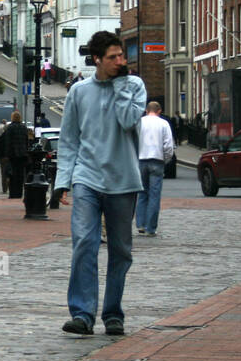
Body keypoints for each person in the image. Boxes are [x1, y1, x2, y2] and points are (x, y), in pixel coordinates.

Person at [53, 31, 147, 336]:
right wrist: (63, 181)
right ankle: (82, 313)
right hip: (87, 178)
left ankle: (113, 312)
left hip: (123, 180)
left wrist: (120, 84)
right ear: (97, 60)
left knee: (121, 250)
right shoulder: (79, 92)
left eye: (122, 56)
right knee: (84, 243)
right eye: (112, 58)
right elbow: (69, 140)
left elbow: (128, 121)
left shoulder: (135, 86)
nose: (120, 61)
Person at [135, 101, 175, 237]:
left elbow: (133, 141)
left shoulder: (139, 122)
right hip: (157, 160)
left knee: (142, 193)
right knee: (154, 195)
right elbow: (169, 146)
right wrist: (165, 159)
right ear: (159, 111)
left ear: (146, 111)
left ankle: (140, 224)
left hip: (141, 160)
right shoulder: (163, 124)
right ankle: (150, 228)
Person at [0, 110, 29, 199]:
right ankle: (19, 193)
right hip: (22, 155)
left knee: (12, 174)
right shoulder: (24, 127)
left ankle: (13, 193)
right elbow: (26, 141)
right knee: (20, 175)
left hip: (13, 155)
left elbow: (7, 143)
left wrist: (6, 155)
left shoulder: (10, 128)